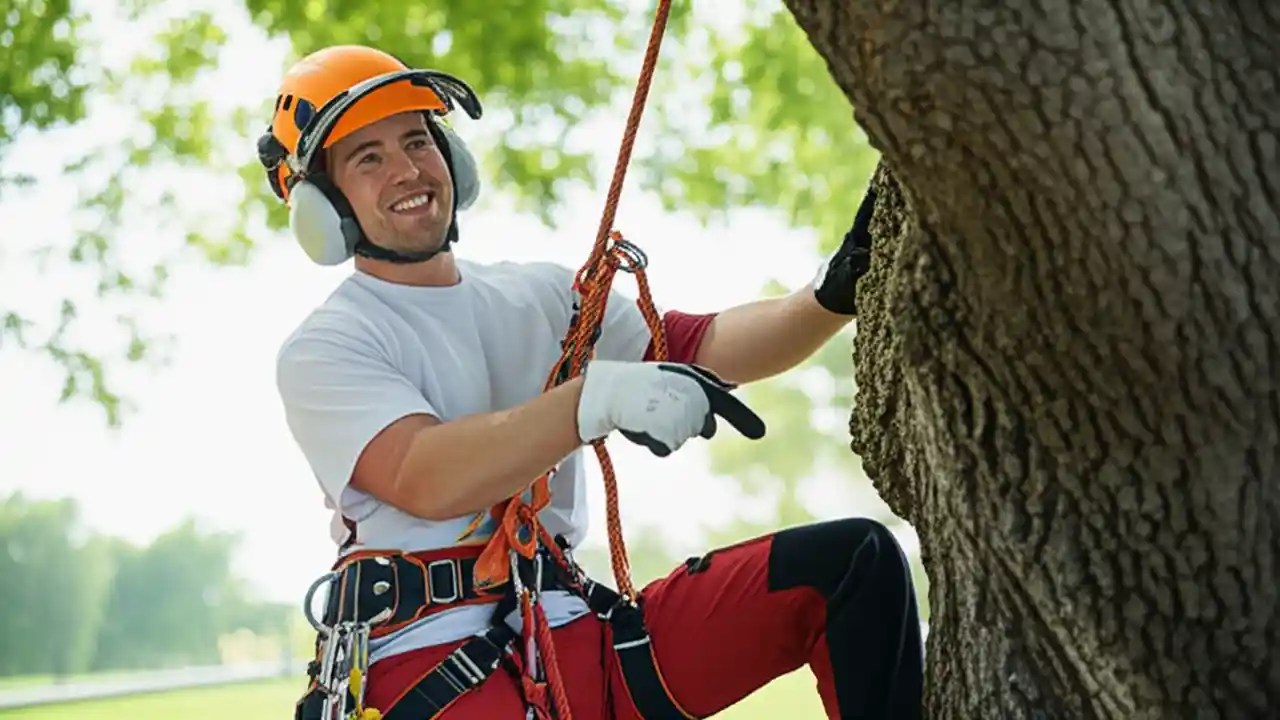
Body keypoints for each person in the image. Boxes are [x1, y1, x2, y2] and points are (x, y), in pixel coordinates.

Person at [264, 44, 923, 720]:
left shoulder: (543, 297)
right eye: (367, 158)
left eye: (417, 141)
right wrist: (591, 401)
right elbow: (425, 476)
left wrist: (833, 293)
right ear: (322, 203)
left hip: (584, 637)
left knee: (851, 566)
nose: (407, 169)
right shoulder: (328, 347)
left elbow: (702, 347)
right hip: (430, 664)